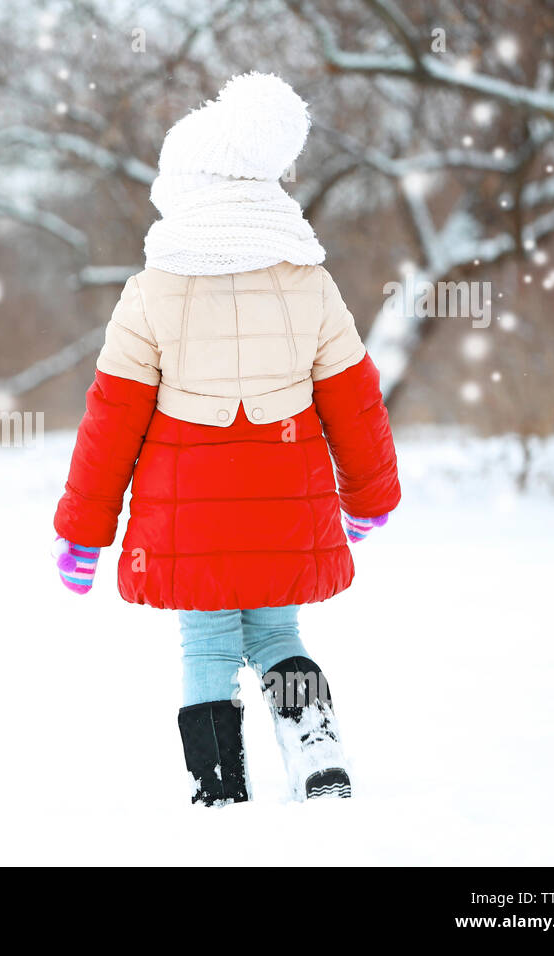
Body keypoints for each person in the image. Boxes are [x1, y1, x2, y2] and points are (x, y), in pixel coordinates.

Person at [52, 72, 401, 806]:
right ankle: (319, 751)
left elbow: (111, 417)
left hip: (190, 517)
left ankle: (218, 784)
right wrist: (368, 495)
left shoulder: (152, 291)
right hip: (286, 503)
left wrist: (85, 531)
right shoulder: (309, 281)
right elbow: (355, 399)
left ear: (187, 188)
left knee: (207, 642)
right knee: (277, 632)